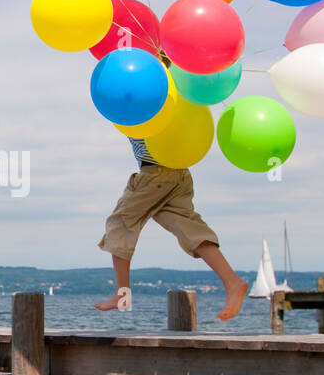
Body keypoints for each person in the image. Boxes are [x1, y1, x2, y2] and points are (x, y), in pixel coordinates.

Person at [94, 133, 249, 321]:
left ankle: (122, 293)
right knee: (189, 229)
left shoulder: (143, 107)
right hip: (179, 173)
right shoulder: (169, 106)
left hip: (155, 175)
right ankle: (232, 282)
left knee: (119, 223)